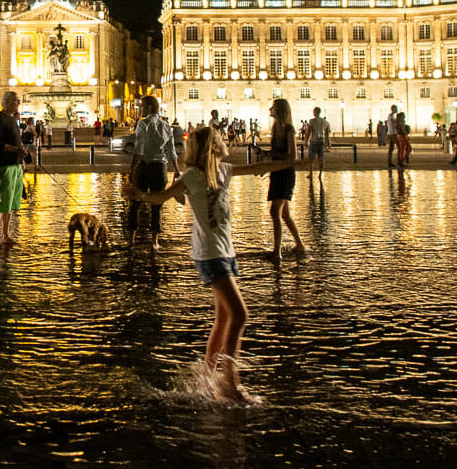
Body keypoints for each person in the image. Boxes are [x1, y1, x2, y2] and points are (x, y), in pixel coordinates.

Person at [123, 125, 300, 403]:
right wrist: (140, 195)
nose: (224, 141)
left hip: (226, 252)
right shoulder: (193, 176)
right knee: (240, 315)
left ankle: (208, 376)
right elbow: (162, 197)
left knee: (224, 319)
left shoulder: (223, 171)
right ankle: (229, 383)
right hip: (210, 254)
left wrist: (293, 162)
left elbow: (259, 167)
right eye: (219, 140)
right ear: (212, 147)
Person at [125, 95, 180, 240]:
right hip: (160, 168)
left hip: (145, 167)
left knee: (135, 203)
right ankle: (155, 241)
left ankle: (131, 238)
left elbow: (139, 148)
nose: (140, 109)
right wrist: (177, 170)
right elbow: (171, 151)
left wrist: (132, 169)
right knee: (157, 205)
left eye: (142, 106)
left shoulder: (143, 124)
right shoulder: (166, 126)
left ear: (149, 107)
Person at [267, 98, 307, 259]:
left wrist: (271, 154)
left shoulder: (289, 129)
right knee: (284, 214)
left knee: (274, 211)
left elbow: (292, 156)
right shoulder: (277, 129)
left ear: (280, 111)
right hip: (277, 172)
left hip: (285, 173)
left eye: (273, 108)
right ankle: (300, 244)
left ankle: (277, 252)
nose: (270, 109)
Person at [0, 91, 26, 248]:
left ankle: (5, 234)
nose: (18, 103)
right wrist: (14, 149)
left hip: (16, 165)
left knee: (11, 202)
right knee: (2, 202)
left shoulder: (13, 119)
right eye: (16, 100)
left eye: (18, 101)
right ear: (6, 102)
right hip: (5, 165)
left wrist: (21, 150)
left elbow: (15, 140)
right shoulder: (0, 119)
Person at [307, 106, 329, 178]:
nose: (313, 112)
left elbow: (309, 132)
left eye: (314, 111)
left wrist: (306, 141)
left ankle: (310, 174)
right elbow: (327, 134)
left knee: (311, 158)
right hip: (321, 141)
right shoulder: (325, 122)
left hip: (314, 141)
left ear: (316, 112)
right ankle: (320, 174)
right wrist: (327, 142)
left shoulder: (312, 121)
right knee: (321, 158)